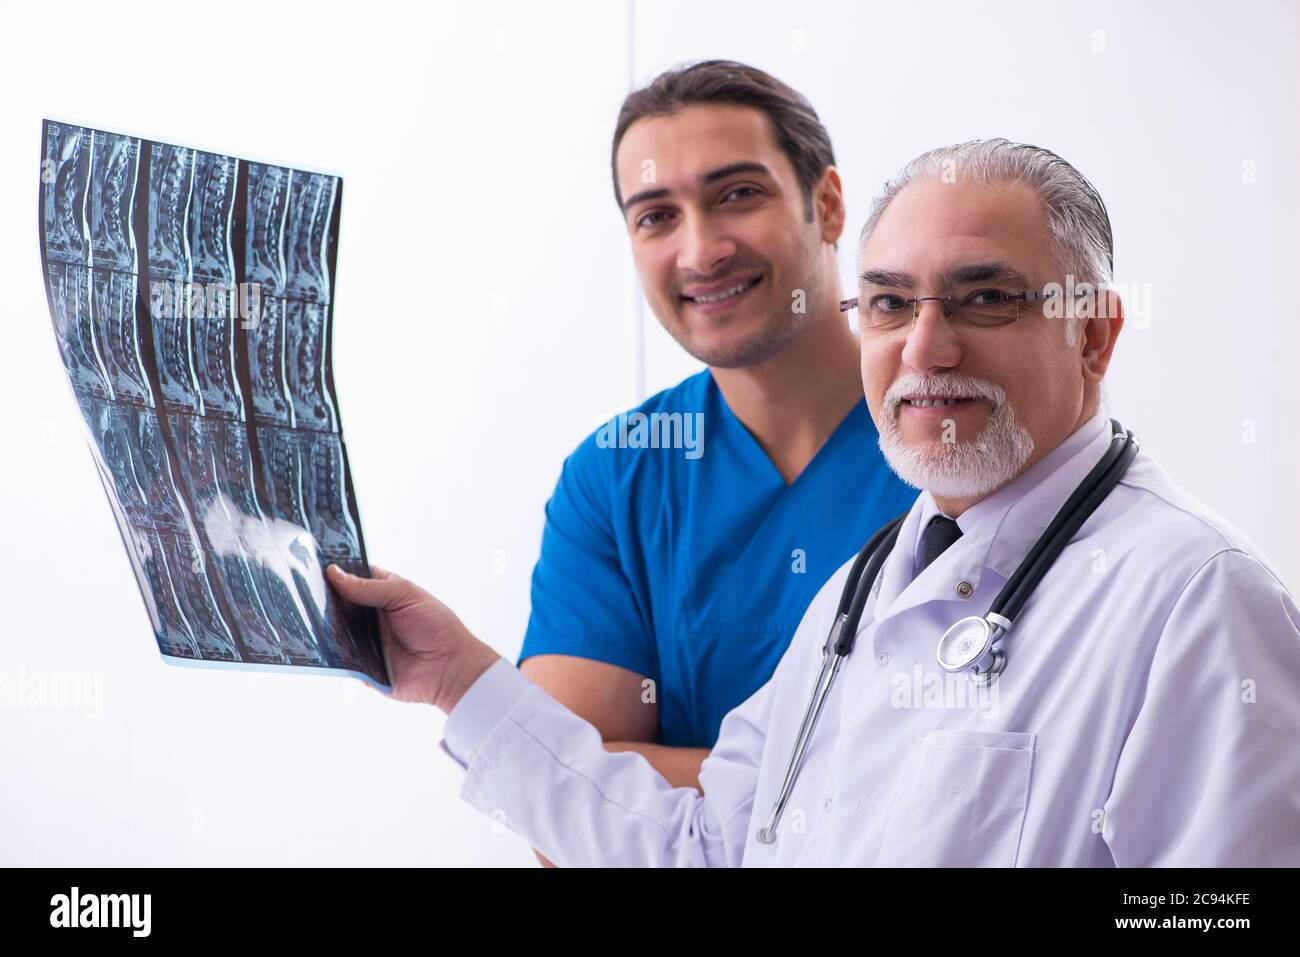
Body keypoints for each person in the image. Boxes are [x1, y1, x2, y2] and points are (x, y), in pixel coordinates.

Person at [329, 138, 1300, 866]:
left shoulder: (1191, 598)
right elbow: (714, 842)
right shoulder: (860, 591)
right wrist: (455, 678)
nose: (925, 349)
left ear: (1091, 337)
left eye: (984, 299)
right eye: (887, 303)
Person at [513, 58, 913, 820]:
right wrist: (852, 793)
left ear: (827, 205)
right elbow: (562, 803)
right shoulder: (618, 479)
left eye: (737, 194)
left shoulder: (951, 438)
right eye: (657, 215)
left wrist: (671, 783)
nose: (701, 251)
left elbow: (1006, 774)